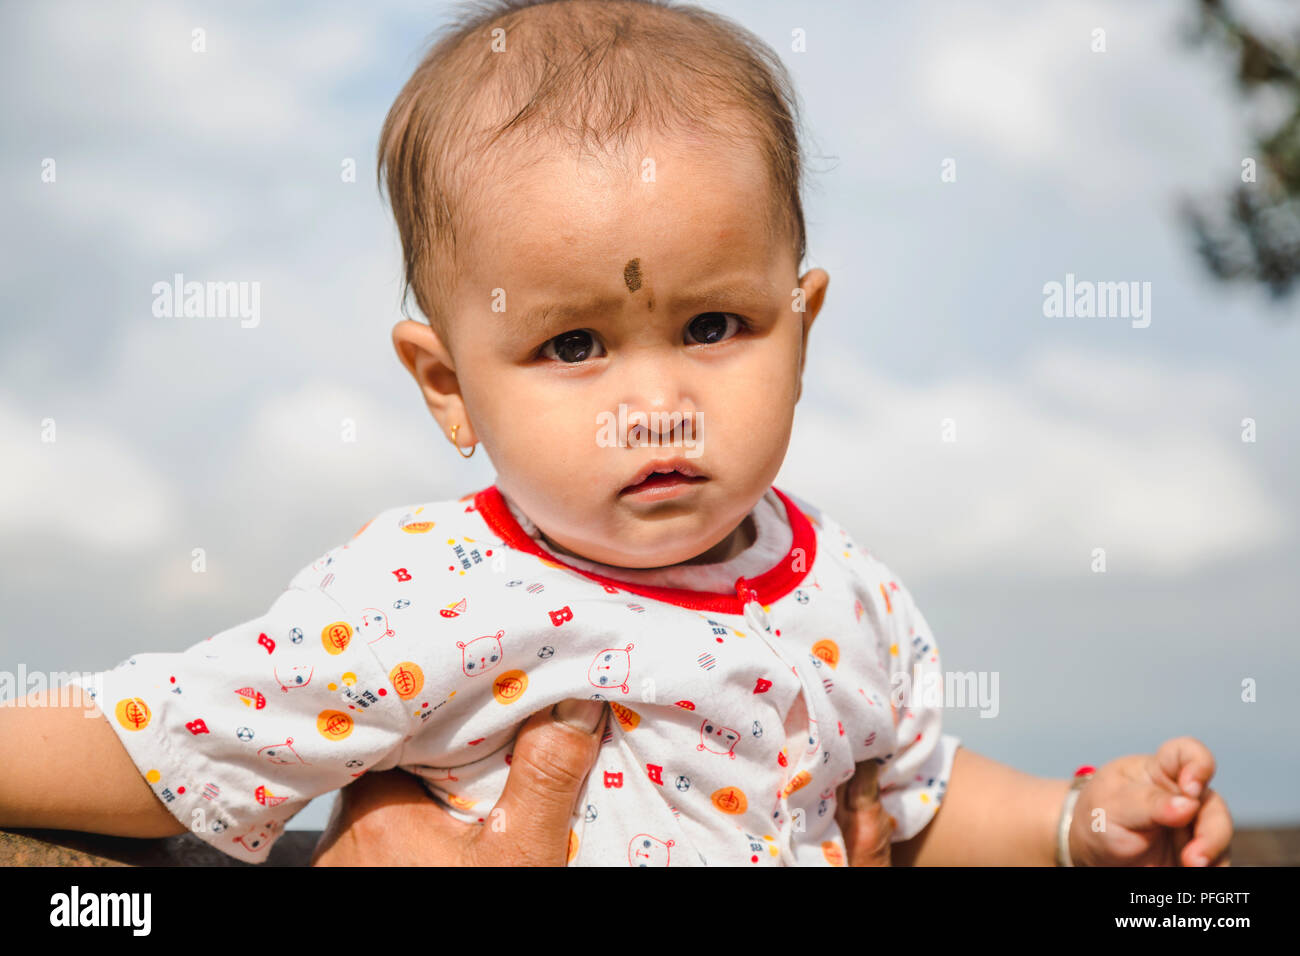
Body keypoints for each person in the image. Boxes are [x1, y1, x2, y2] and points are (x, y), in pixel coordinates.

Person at [0, 0, 1232, 866]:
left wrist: (1081, 823)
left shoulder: (849, 590)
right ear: (447, 386)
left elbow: (918, 802)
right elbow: (168, 736)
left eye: (713, 323)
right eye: (573, 346)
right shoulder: (434, 598)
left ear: (799, 326)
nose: (655, 401)